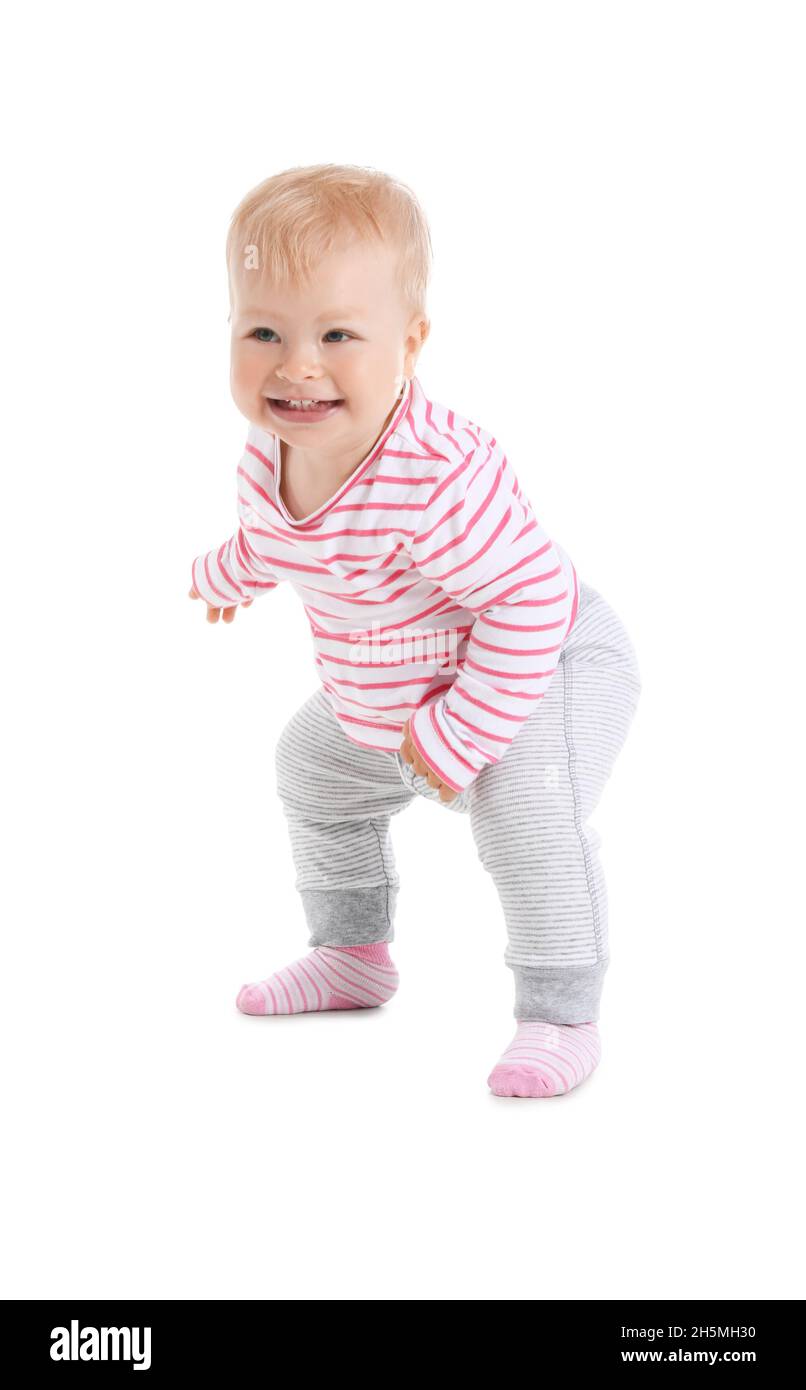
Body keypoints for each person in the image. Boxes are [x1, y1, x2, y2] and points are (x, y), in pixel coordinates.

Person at [189, 163, 642, 1098]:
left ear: (411, 344)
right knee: (310, 764)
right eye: (263, 330)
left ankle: (562, 1009)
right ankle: (353, 952)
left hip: (542, 661)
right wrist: (230, 570)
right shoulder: (277, 442)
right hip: (397, 684)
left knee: (525, 813)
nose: (297, 364)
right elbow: (283, 537)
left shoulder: (437, 473)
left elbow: (525, 602)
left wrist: (463, 732)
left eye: (338, 335)